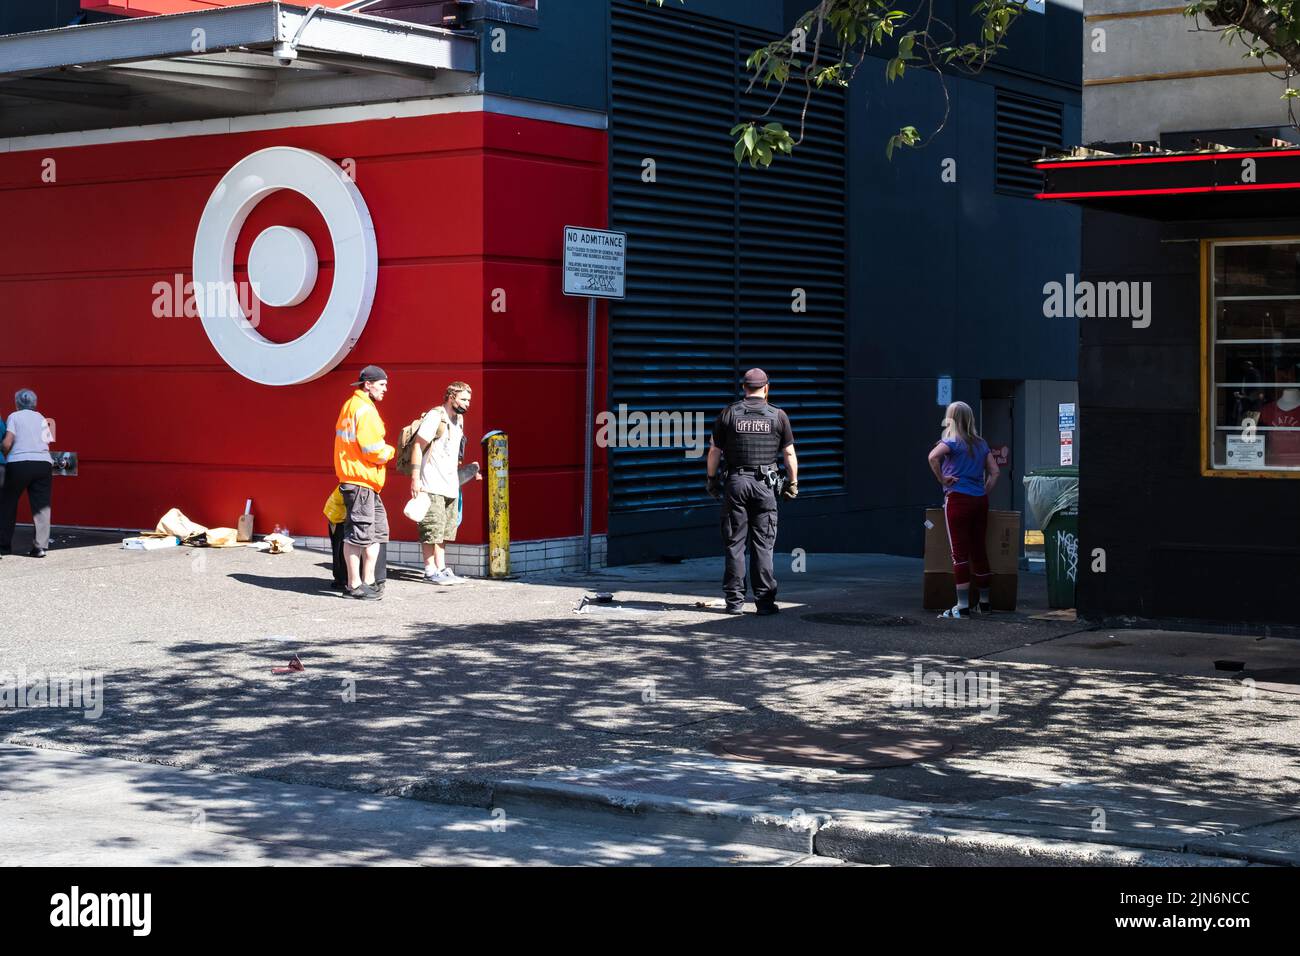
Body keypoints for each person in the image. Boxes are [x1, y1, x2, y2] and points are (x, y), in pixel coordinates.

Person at [705, 368, 798, 615]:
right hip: (765, 486)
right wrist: (792, 483)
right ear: (766, 388)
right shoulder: (778, 415)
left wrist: (712, 480)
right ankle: (765, 603)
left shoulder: (728, 413)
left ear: (744, 388)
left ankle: (734, 602)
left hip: (736, 482)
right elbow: (789, 454)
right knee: (763, 545)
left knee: (735, 544)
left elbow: (714, 451)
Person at [927, 400, 1000, 618]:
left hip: (958, 499)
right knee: (979, 550)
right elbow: (995, 472)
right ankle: (985, 603)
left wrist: (943, 479)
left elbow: (932, 457)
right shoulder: (981, 443)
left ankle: (962, 606)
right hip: (979, 501)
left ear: (951, 418)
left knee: (959, 554)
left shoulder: (951, 441)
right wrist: (983, 491)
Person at [333, 366, 395, 600]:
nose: (385, 389)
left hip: (362, 481)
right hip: (361, 480)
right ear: (367, 385)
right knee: (358, 534)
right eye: (382, 384)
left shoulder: (352, 406)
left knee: (376, 532)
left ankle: (367, 581)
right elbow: (373, 450)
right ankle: (354, 585)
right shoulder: (365, 410)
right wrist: (391, 451)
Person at [410, 382, 481, 584]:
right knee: (431, 528)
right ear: (451, 397)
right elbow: (417, 446)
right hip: (430, 483)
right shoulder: (436, 416)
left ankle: (442, 568)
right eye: (464, 399)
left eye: (469, 400)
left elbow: (453, 453)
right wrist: (415, 479)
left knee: (445, 530)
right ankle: (430, 570)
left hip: (450, 484)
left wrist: (467, 473)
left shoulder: (459, 419)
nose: (467, 404)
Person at [0, 389, 55, 558]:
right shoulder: (42, 418)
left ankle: (3, 546)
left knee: (7, 503)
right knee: (41, 507)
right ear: (35, 403)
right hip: (43, 464)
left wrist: (3, 451)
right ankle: (40, 547)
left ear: (17, 403)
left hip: (20, 464)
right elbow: (47, 441)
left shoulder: (14, 417)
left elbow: (8, 441)